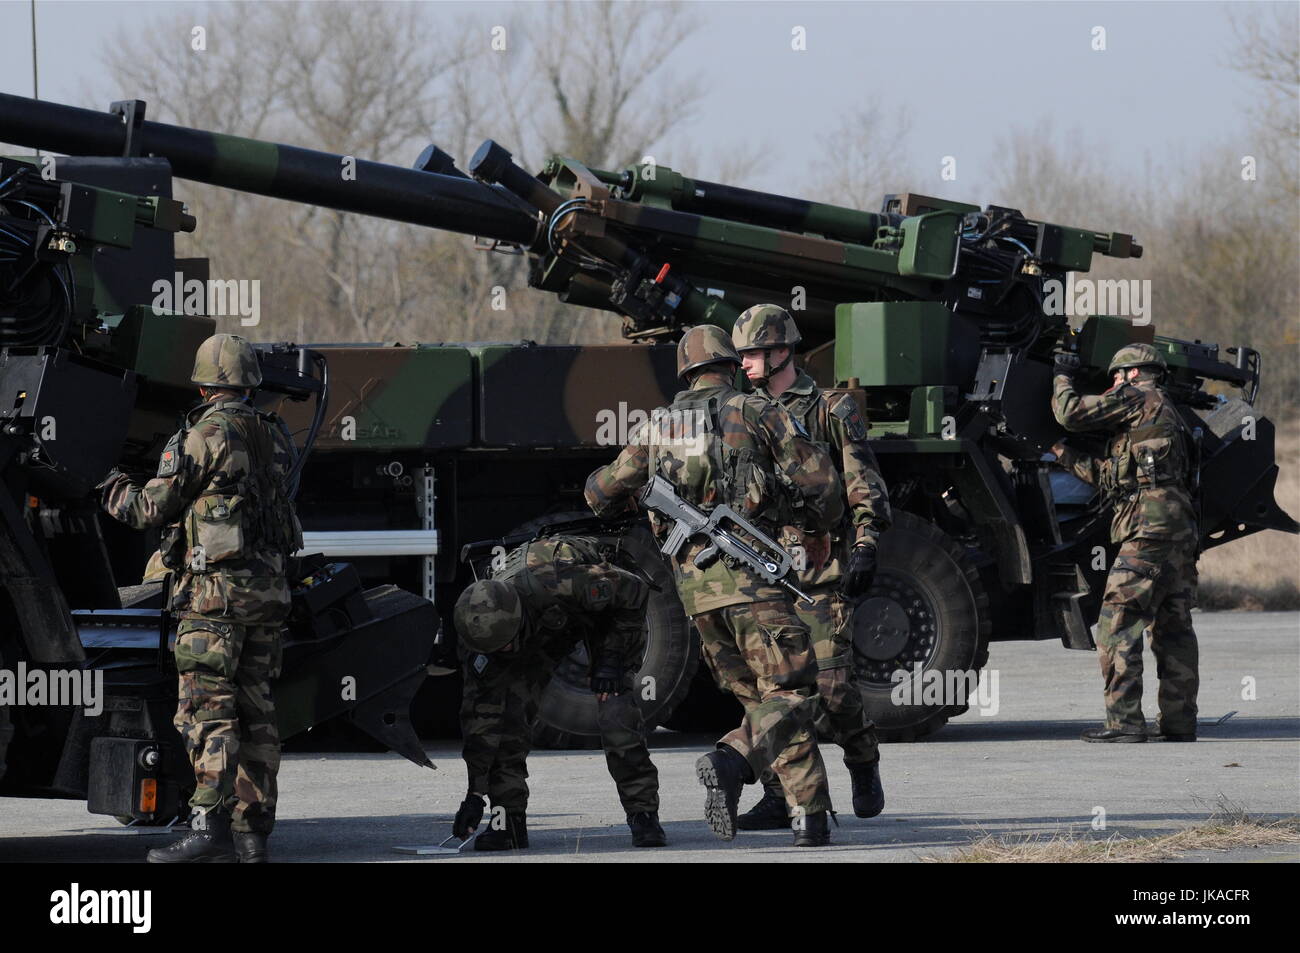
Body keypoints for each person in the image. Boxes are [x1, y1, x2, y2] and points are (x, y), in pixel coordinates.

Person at [585, 324, 846, 846]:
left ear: (686, 372)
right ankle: (733, 759)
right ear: (730, 365)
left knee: (762, 701)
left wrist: (640, 494)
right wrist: (814, 529)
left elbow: (599, 494)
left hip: (697, 596)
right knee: (791, 691)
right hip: (755, 583)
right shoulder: (759, 411)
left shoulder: (657, 426)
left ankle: (809, 817)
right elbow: (822, 486)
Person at [99, 333, 300, 862]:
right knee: (258, 715)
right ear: (250, 384)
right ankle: (252, 835)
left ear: (204, 385)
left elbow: (148, 510)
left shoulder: (204, 434)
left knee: (207, 713)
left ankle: (208, 828)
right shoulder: (275, 436)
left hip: (214, 603)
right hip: (267, 598)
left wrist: (108, 481)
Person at [730, 303, 891, 829]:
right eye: (742, 354)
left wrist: (866, 542)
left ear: (782, 351)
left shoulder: (831, 409)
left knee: (833, 686)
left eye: (753, 353)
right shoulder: (741, 412)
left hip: (822, 569)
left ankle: (862, 758)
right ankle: (782, 796)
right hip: (763, 572)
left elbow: (862, 481)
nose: (744, 362)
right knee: (773, 692)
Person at [452, 534, 666, 850]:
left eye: (506, 646)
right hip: (545, 627)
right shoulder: (480, 637)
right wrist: (474, 794)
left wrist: (611, 658)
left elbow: (634, 591)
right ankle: (507, 821)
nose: (502, 653)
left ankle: (643, 814)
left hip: (604, 615)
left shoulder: (559, 581)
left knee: (615, 710)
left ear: (518, 621)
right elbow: (482, 721)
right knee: (508, 717)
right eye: (496, 650)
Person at [1051, 342, 1200, 743]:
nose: (1114, 383)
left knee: (1117, 620)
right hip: (1179, 529)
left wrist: (1062, 375)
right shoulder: (1168, 415)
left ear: (1133, 373)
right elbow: (1113, 478)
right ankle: (1180, 723)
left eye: (1117, 376)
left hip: (1148, 528)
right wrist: (1062, 454)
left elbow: (1069, 412)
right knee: (1173, 627)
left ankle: (1124, 723)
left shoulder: (1137, 396)